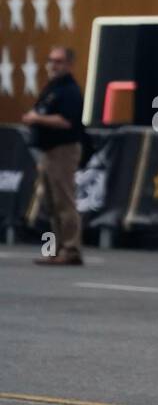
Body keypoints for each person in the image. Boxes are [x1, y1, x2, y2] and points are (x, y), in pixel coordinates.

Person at [24, 46, 84, 265]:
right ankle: (53, 248)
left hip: (63, 150)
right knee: (50, 204)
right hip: (48, 151)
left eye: (58, 61)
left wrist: (37, 119)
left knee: (64, 202)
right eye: (51, 60)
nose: (53, 65)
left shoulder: (70, 91)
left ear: (69, 64)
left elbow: (65, 121)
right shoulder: (52, 88)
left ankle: (71, 249)